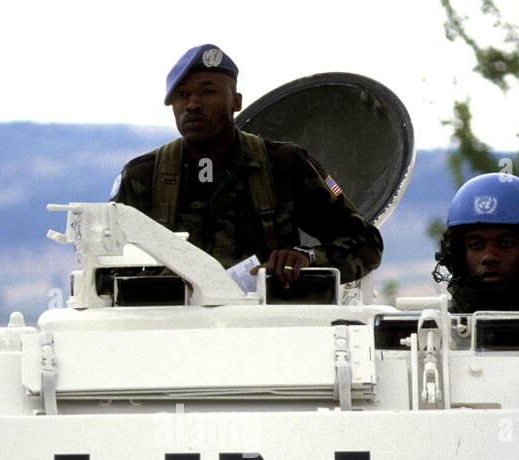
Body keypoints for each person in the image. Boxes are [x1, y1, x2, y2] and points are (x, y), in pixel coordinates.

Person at [111, 44, 383, 286]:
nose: (192, 104)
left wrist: (307, 258)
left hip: (266, 325)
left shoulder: (285, 165)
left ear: (236, 101)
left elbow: (365, 243)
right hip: (171, 330)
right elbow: (104, 265)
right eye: (182, 95)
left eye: (207, 92)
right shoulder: (143, 176)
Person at [432, 172, 519, 312]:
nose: (489, 257)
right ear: (457, 256)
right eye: (476, 246)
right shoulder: (437, 331)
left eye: (505, 244)